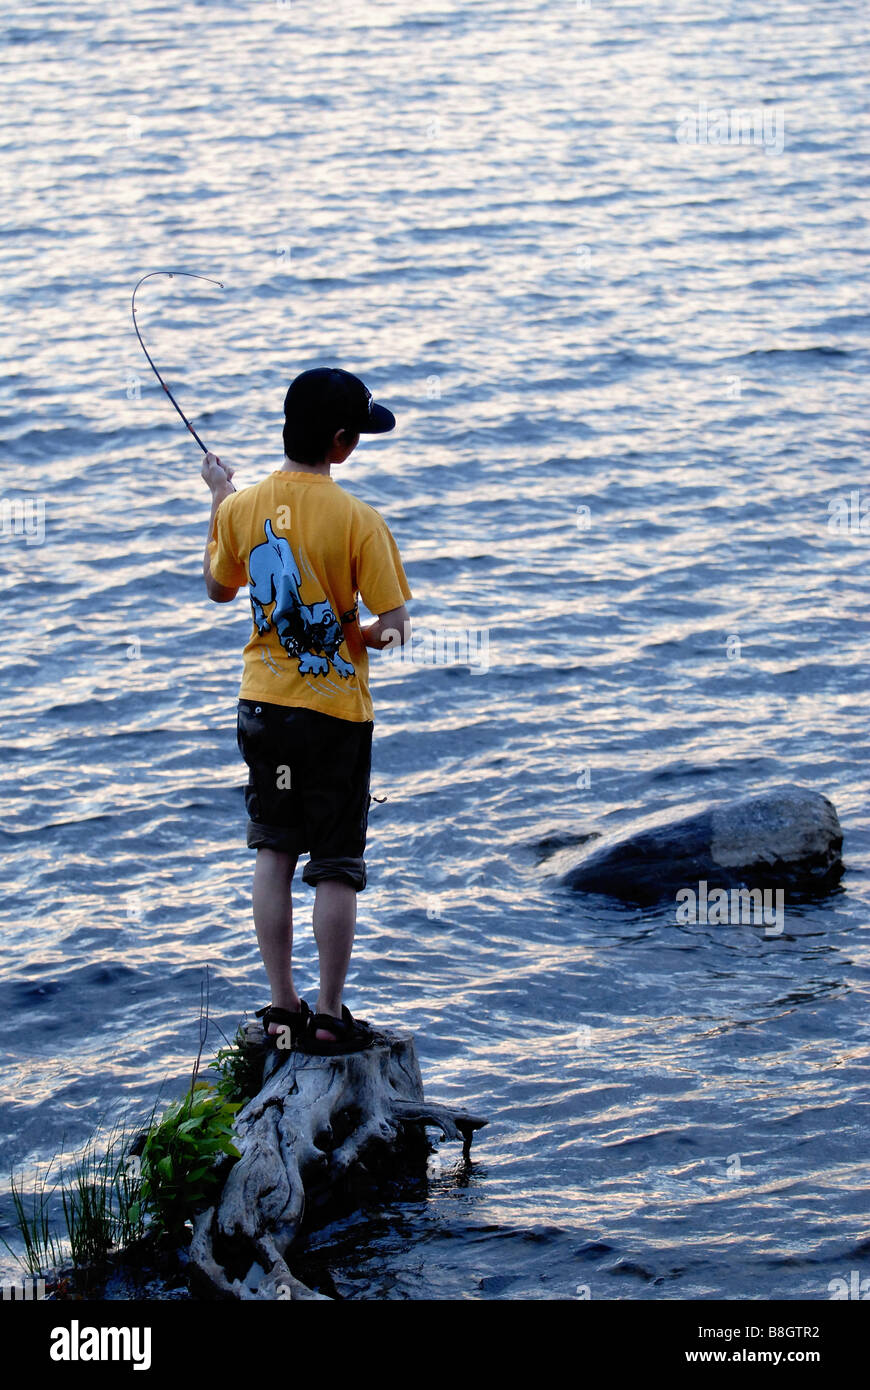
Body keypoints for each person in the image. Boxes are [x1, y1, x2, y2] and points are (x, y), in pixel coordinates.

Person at [201, 367, 412, 1054]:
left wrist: (221, 498)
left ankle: (281, 1006)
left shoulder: (241, 509)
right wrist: (367, 636)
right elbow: (392, 623)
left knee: (274, 849)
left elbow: (218, 587)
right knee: (336, 863)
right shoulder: (359, 520)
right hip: (335, 721)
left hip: (263, 711)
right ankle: (327, 1012)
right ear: (343, 443)